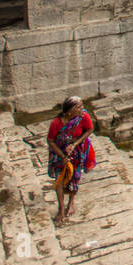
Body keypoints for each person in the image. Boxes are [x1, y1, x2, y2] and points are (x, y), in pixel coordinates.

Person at [47, 96, 95, 225]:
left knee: (75, 177)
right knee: (59, 180)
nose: (82, 109)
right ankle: (61, 208)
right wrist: (62, 156)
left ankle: (71, 203)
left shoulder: (83, 117)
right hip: (59, 153)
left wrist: (75, 143)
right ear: (69, 112)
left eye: (81, 105)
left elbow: (90, 129)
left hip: (76, 152)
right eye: (78, 107)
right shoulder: (56, 123)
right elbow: (50, 141)